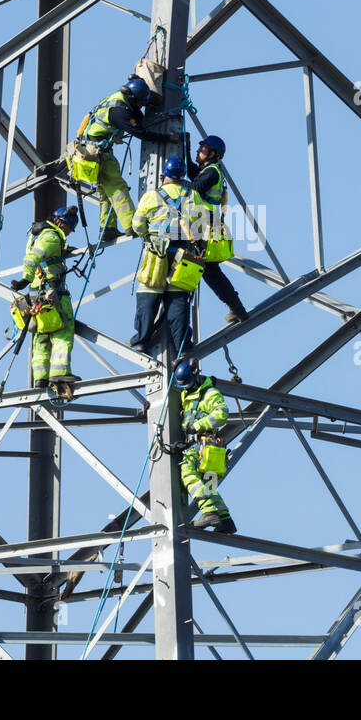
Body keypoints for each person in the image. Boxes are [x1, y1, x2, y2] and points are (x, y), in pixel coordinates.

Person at [69, 75, 165, 241]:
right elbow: (140, 132)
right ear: (132, 98)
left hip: (89, 149)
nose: (141, 107)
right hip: (98, 152)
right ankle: (132, 225)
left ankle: (108, 229)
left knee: (106, 193)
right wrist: (167, 138)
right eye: (140, 103)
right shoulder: (119, 113)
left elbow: (135, 110)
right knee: (118, 188)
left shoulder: (118, 98)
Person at [130, 155, 205, 357]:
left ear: (164, 176)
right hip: (183, 256)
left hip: (156, 253)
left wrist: (148, 236)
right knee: (178, 300)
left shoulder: (151, 196)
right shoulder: (193, 196)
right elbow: (202, 226)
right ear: (182, 177)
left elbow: (137, 225)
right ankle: (182, 346)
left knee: (148, 294)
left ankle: (141, 341)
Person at [10, 206, 80, 389]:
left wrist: (63, 250)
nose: (68, 232)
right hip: (53, 294)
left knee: (41, 335)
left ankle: (40, 378)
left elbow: (44, 254)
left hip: (36, 297)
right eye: (67, 228)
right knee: (62, 332)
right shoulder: (51, 237)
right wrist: (25, 278)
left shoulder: (38, 235)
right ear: (60, 222)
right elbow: (33, 258)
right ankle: (60, 374)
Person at [187, 135, 249, 324]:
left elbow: (193, 188)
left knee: (209, 272)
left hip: (204, 227)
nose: (199, 152)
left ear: (213, 154)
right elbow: (193, 175)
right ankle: (237, 308)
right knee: (210, 272)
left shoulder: (212, 172)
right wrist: (184, 146)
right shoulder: (209, 171)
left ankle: (237, 308)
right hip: (205, 225)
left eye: (203, 149)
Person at [174, 359, 235, 533]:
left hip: (202, 444)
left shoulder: (209, 393)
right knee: (209, 483)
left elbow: (222, 414)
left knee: (187, 474)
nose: (187, 388)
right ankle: (224, 518)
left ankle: (209, 513)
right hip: (210, 450)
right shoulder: (187, 391)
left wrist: (197, 426)